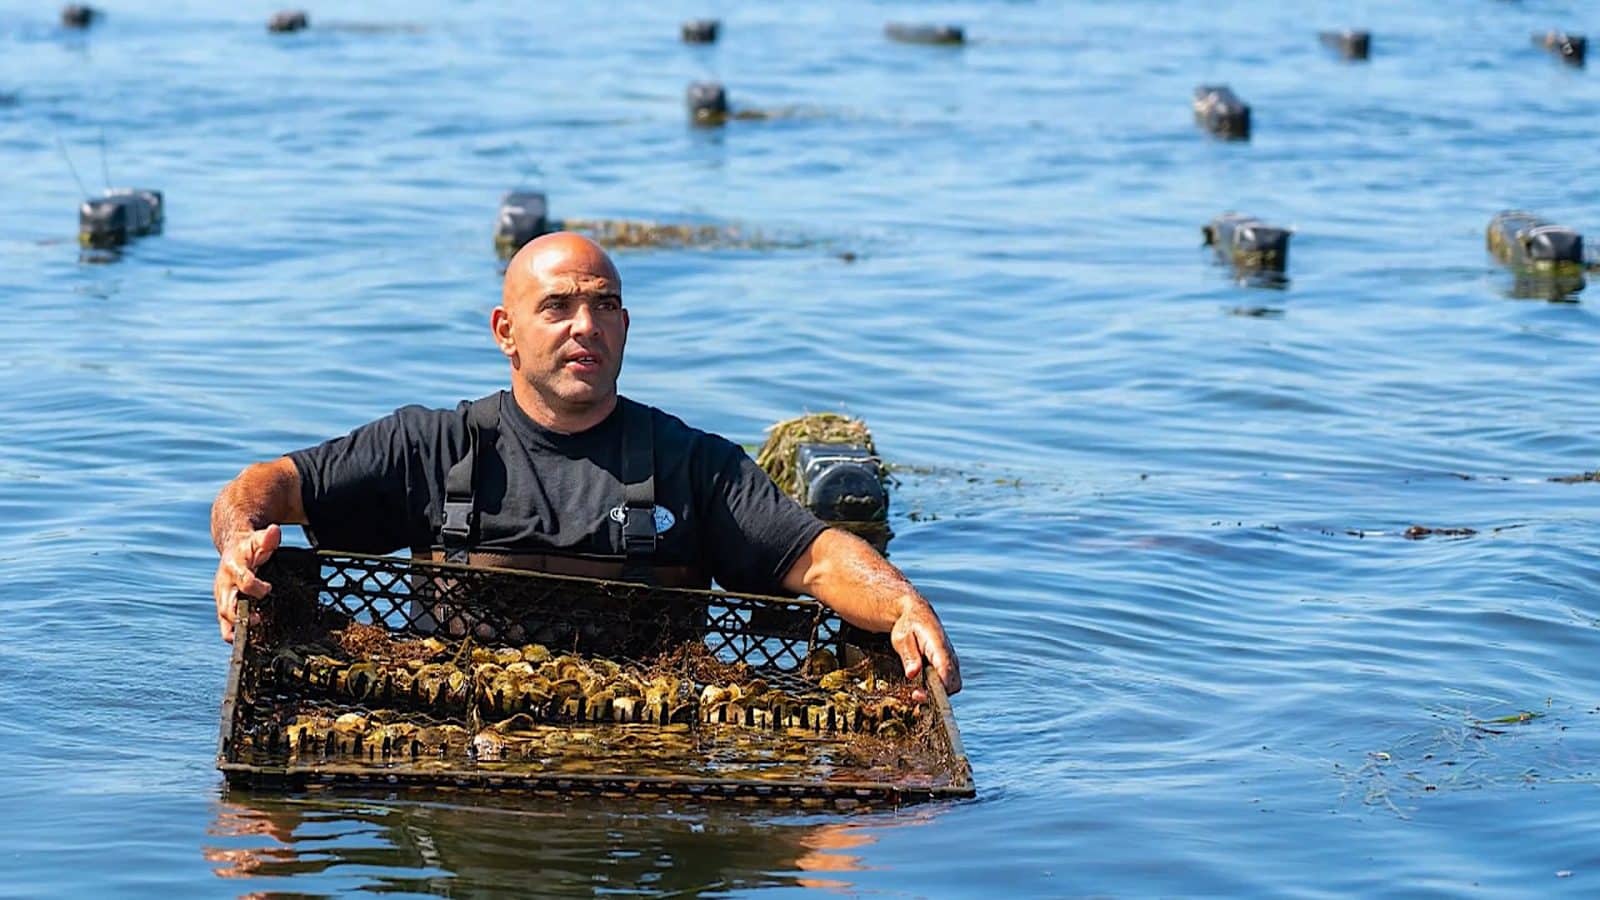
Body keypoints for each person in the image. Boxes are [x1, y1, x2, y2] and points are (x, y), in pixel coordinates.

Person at [210, 232, 960, 697]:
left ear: (626, 325)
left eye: (604, 306)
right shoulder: (428, 447)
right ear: (506, 331)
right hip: (457, 750)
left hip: (647, 754)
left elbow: (819, 560)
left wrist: (903, 606)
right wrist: (240, 536)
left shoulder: (692, 464)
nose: (585, 326)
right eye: (558, 306)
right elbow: (269, 485)